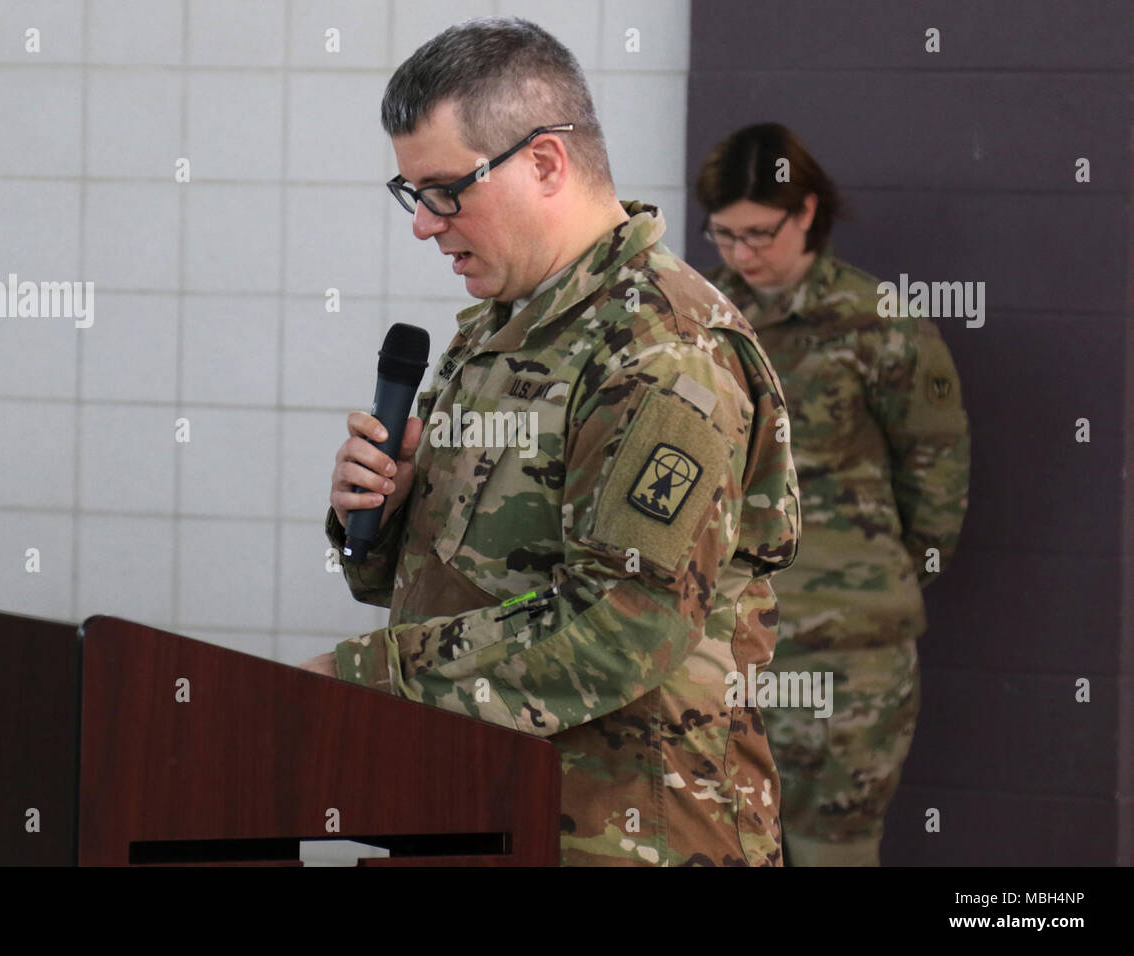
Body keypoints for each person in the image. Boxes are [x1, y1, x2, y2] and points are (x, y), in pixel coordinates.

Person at [303, 18, 801, 867]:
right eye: (412, 193)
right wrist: (382, 518)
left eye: (443, 189)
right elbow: (461, 582)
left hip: (629, 835)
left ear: (543, 163)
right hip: (488, 808)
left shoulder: (664, 349)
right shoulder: (505, 328)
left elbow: (621, 625)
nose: (424, 225)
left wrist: (366, 683)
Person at [695, 122, 971, 866]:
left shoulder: (879, 322)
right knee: (720, 845)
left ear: (807, 212)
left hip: (849, 655)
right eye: (723, 236)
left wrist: (882, 577)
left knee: (832, 851)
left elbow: (937, 472)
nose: (743, 254)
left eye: (760, 233)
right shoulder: (697, 319)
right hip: (722, 645)